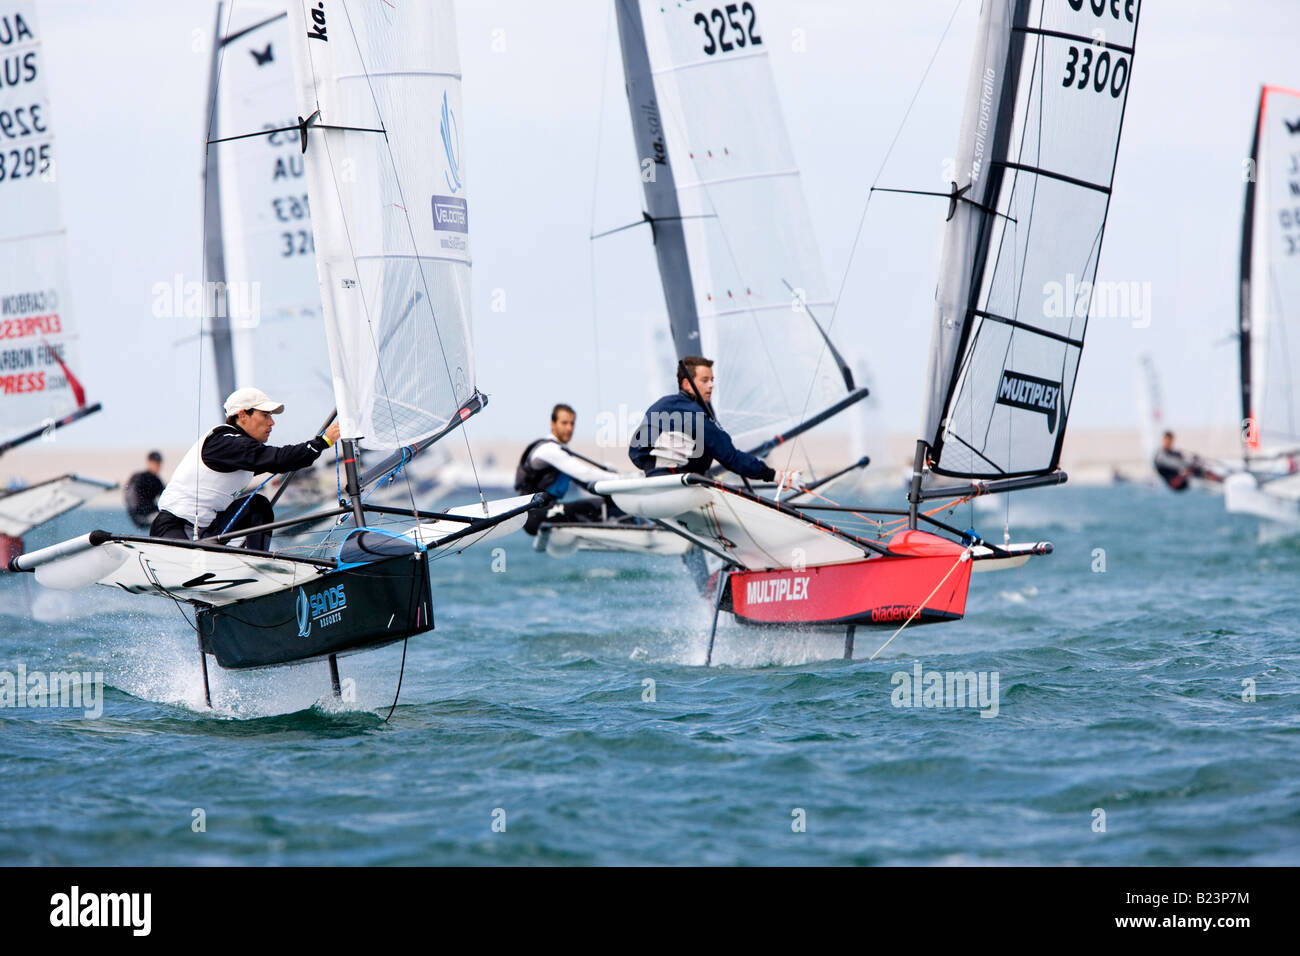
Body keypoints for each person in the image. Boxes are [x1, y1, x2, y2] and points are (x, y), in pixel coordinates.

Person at [151, 387, 340, 550]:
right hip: (173, 528)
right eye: (265, 415)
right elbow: (277, 458)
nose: (271, 422)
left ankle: (258, 563)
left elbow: (281, 461)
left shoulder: (241, 451)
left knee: (258, 506)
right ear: (242, 415)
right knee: (257, 504)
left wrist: (310, 451)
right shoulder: (225, 443)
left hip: (208, 530)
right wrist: (322, 442)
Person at [629, 355, 800, 487]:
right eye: (704, 381)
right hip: (678, 483)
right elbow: (730, 457)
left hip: (655, 479)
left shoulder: (663, 403)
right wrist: (775, 476)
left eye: (712, 380)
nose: (711, 385)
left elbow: (635, 451)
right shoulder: (694, 413)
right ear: (687, 384)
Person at [516, 403, 619, 534]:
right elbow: (585, 474)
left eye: (572, 423)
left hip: (544, 512)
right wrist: (622, 479)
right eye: (564, 423)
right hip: (534, 515)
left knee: (606, 503)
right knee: (595, 506)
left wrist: (612, 491)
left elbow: (585, 483)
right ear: (553, 424)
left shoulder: (562, 451)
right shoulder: (548, 450)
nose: (569, 428)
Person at [1153, 430, 1223, 491]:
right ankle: (1216, 479)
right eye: (1166, 440)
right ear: (1163, 440)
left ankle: (1216, 476)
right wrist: (1191, 463)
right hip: (1175, 484)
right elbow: (1175, 464)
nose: (1168, 443)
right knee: (1191, 469)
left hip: (1181, 478)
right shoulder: (1161, 456)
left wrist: (1194, 457)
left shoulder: (1173, 452)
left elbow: (1183, 454)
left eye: (1170, 441)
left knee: (1194, 464)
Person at [123, 450, 166, 530]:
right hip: (140, 516)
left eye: (159, 464)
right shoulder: (140, 478)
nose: (158, 466)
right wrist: (155, 509)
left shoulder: (157, 481)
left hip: (146, 515)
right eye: (155, 463)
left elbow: (166, 497)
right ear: (148, 462)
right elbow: (133, 500)